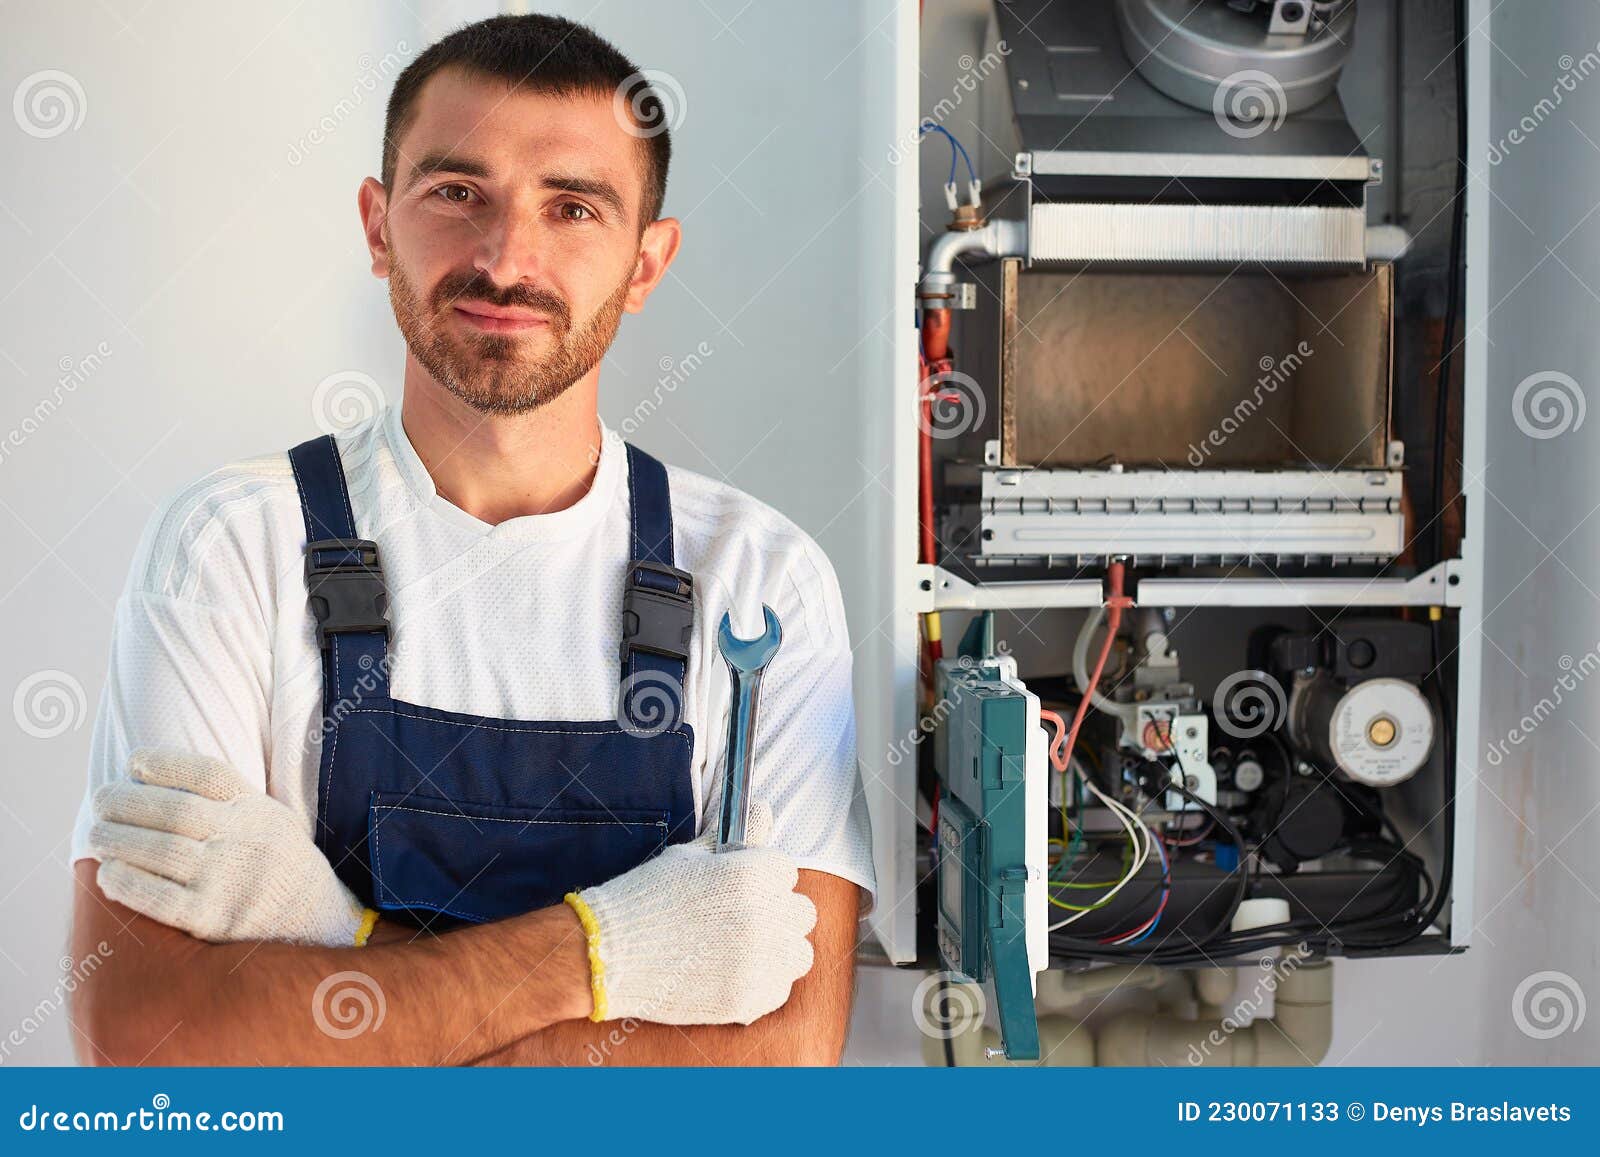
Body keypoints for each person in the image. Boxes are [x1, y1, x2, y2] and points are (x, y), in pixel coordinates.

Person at [67, 13, 874, 1067]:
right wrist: (604, 951)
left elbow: (780, 1063)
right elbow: (147, 1041)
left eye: (573, 206)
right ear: (375, 224)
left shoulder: (762, 581)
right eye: (456, 193)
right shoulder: (228, 548)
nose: (505, 259)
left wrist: (332, 940)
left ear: (644, 262)